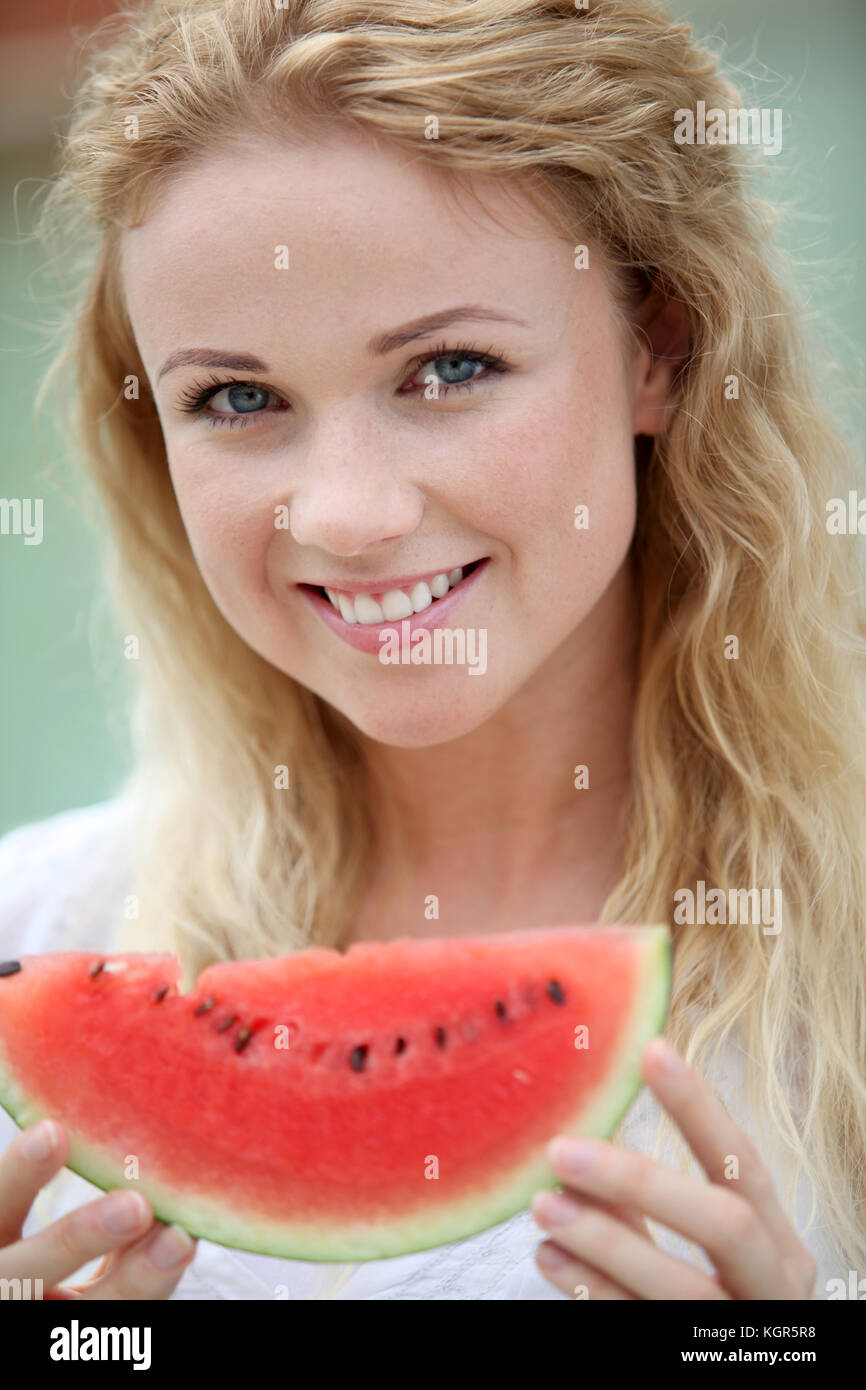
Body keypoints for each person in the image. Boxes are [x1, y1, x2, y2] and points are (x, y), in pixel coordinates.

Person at [0, 0, 863, 1301]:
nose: (346, 512)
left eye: (448, 368)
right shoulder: (30, 929)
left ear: (661, 348)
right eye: (237, 398)